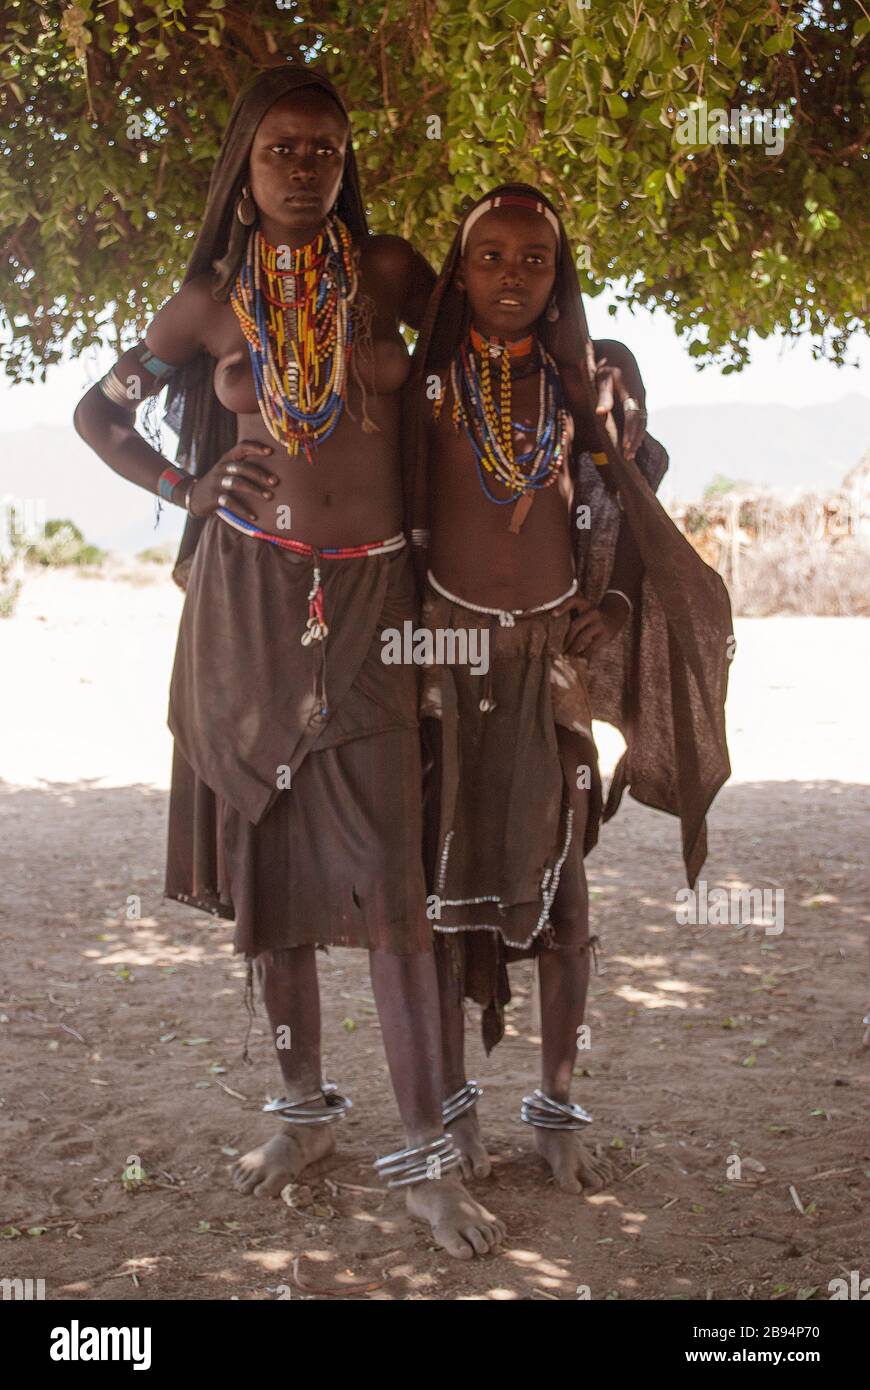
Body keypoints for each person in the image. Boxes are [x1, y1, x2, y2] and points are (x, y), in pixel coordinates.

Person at [73, 65, 505, 1260]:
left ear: (346, 160)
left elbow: (492, 354)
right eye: (282, 147)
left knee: (389, 892)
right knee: (269, 886)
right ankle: (303, 1114)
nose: (306, 164)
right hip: (248, 599)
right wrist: (185, 487)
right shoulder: (208, 303)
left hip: (377, 594)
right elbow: (97, 417)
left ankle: (426, 1159)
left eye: (325, 146)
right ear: (245, 164)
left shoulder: (392, 276)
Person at [407, 185, 733, 1193]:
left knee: (566, 895)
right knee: (438, 891)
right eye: (490, 257)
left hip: (547, 661)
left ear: (560, 276)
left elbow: (630, 499)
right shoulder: (423, 384)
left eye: (534, 259)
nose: (512, 275)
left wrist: (620, 606)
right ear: (458, 273)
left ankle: (554, 1105)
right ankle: (453, 1111)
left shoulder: (584, 386)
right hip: (445, 656)